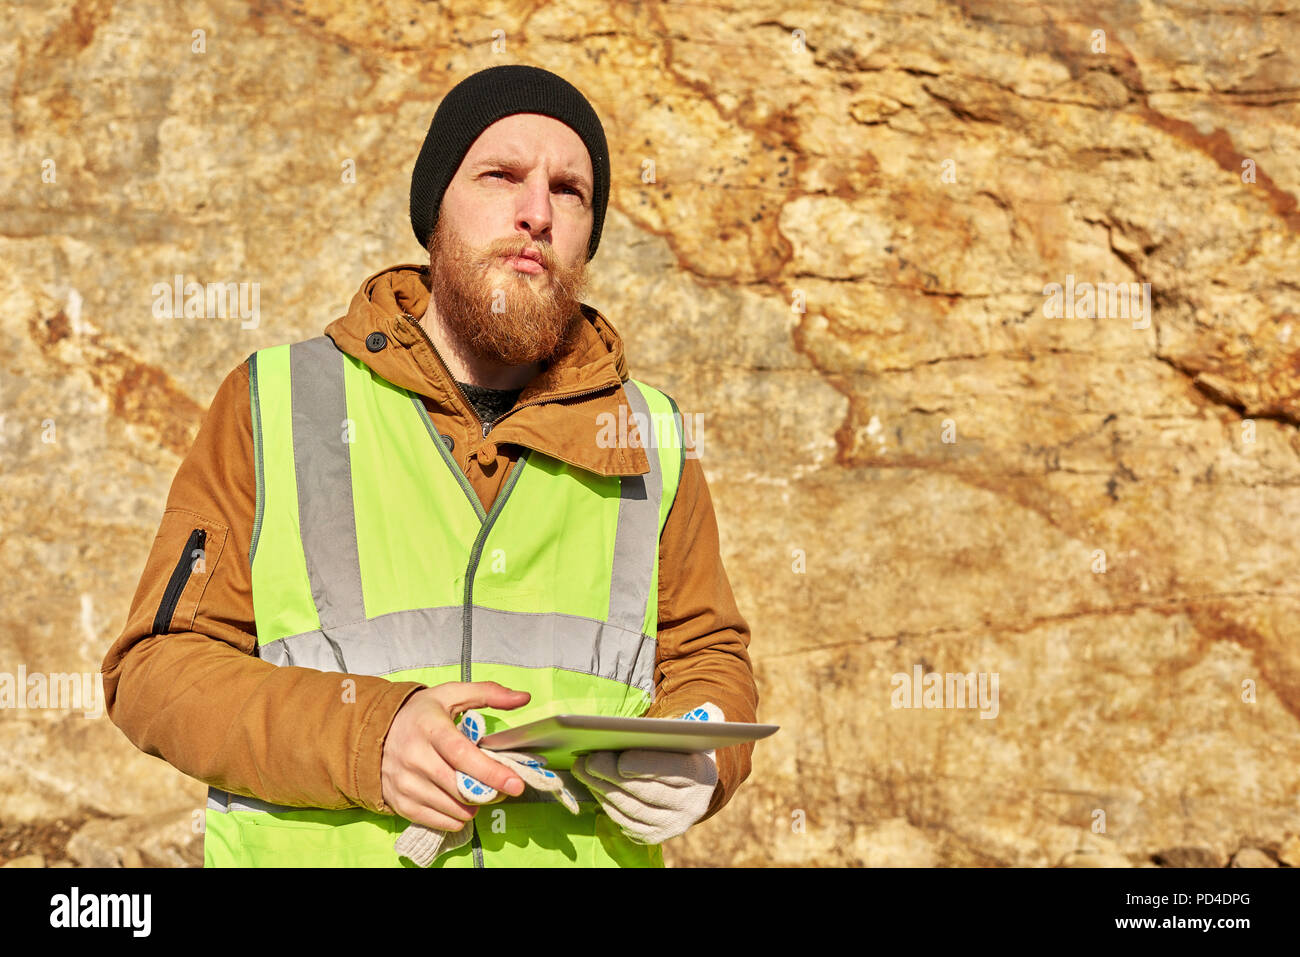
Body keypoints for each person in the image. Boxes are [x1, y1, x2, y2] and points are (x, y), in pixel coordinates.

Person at [102, 64, 758, 868]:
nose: (536, 214)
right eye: (501, 175)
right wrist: (367, 738)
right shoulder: (274, 402)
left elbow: (707, 660)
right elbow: (155, 672)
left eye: (570, 190)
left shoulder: (649, 432)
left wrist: (702, 755)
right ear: (433, 213)